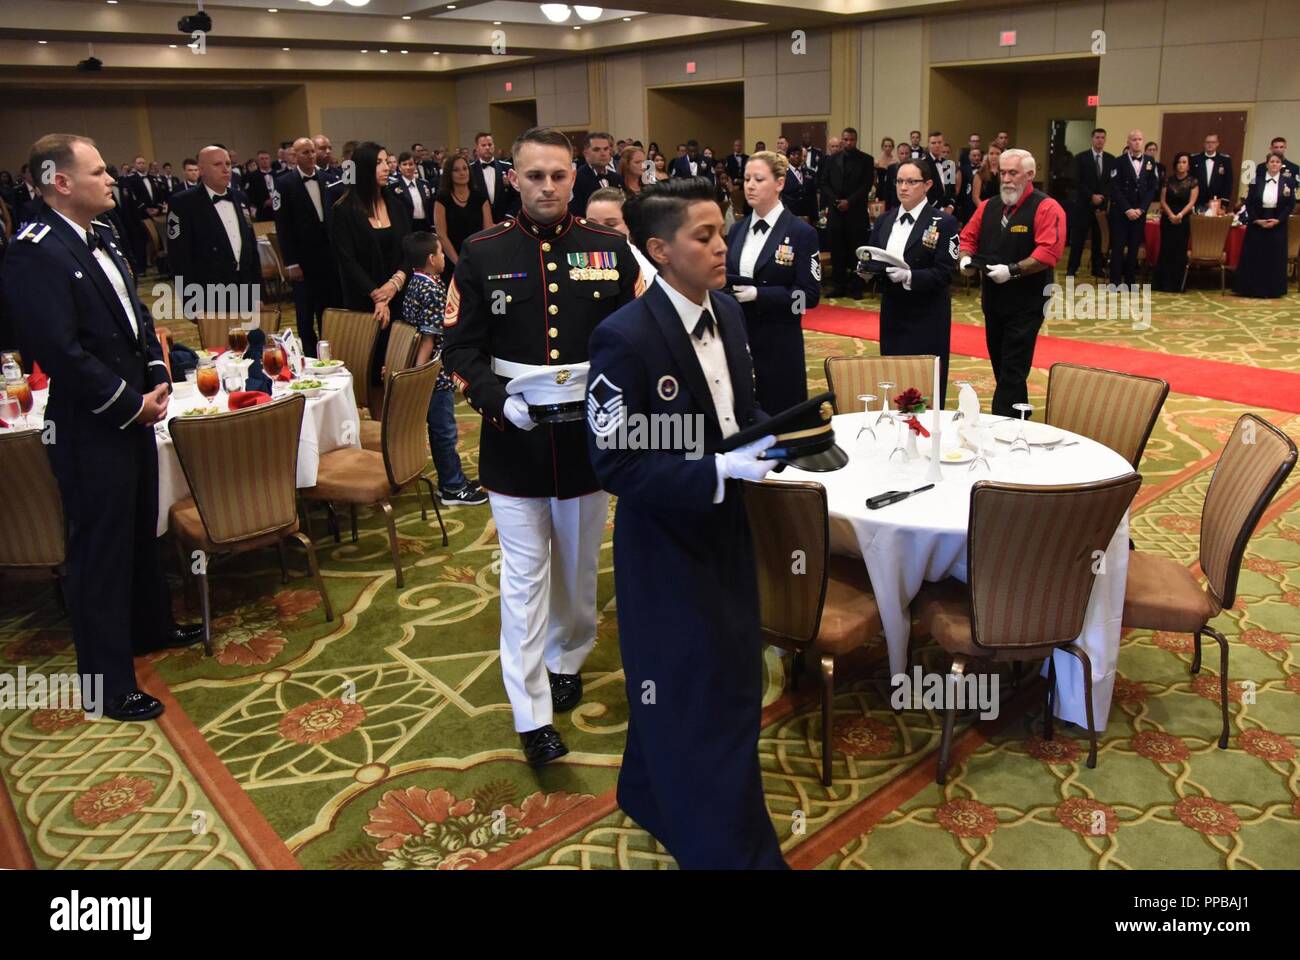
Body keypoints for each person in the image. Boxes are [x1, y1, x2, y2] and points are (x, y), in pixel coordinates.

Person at [585, 176, 786, 869]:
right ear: (659, 251)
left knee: (728, 675)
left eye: (721, 231)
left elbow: (739, 414)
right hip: (666, 544)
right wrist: (713, 473)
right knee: (697, 691)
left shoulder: (727, 313)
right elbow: (616, 464)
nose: (721, 245)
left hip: (730, 529)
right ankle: (738, 853)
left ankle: (646, 790)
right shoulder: (623, 338)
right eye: (703, 236)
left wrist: (780, 441)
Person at [442, 127, 641, 767]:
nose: (548, 186)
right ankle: (531, 715)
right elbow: (461, 349)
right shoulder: (480, 251)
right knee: (524, 581)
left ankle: (569, 655)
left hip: (587, 445)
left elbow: (635, 337)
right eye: (535, 176)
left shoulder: (609, 249)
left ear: (575, 177)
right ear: (513, 179)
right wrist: (497, 403)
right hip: (513, 447)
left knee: (580, 573)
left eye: (558, 175)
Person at [2, 134, 202, 722]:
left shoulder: (102, 235)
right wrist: (127, 403)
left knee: (143, 532)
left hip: (135, 410)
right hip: (91, 426)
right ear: (60, 182)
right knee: (99, 554)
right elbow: (57, 350)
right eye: (98, 172)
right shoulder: (35, 250)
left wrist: (159, 372)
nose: (111, 179)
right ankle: (107, 687)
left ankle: (151, 627)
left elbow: (135, 316)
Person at [958, 148, 1066, 417]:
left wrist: (1013, 270)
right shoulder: (988, 206)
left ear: (1029, 175)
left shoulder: (1047, 207)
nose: (1006, 179)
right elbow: (967, 238)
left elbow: (1047, 253)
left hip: (1027, 299)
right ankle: (1020, 415)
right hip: (993, 298)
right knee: (1001, 361)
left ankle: (1001, 420)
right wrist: (965, 260)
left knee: (1013, 363)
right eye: (1002, 172)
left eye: (1013, 173)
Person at [397, 232, 487, 506]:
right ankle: (452, 486)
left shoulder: (415, 283)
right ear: (431, 259)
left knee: (442, 429)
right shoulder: (432, 289)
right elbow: (428, 338)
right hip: (434, 374)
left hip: (426, 371)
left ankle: (453, 477)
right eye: (439, 252)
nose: (443, 257)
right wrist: (418, 376)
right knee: (444, 430)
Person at [726, 151, 820, 413]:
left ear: (779, 183)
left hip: (779, 340)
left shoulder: (801, 232)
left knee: (780, 413)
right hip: (739, 336)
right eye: (746, 179)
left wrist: (760, 294)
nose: (750, 185)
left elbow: (808, 296)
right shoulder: (737, 229)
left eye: (758, 179)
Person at [867, 157, 958, 407]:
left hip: (927, 312)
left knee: (926, 379)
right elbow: (873, 256)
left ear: (927, 185)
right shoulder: (886, 220)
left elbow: (946, 272)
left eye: (911, 181)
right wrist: (866, 272)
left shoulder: (944, 223)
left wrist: (910, 276)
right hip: (894, 308)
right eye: (899, 181)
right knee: (893, 373)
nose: (903, 187)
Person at [329, 141, 414, 386]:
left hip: (398, 299)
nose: (386, 167)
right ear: (363, 168)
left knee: (398, 370)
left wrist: (393, 286)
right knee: (371, 372)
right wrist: (377, 295)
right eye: (378, 163)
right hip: (364, 302)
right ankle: (376, 423)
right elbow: (347, 260)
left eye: (387, 161)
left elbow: (408, 253)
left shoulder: (397, 205)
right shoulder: (343, 210)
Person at [167, 145, 260, 300]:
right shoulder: (183, 203)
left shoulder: (240, 198)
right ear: (201, 170)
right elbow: (179, 257)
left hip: (245, 288)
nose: (226, 169)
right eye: (217, 164)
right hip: (209, 292)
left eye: (228, 164)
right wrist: (191, 301)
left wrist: (259, 293)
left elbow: (251, 248)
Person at [274, 137, 339, 356]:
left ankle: (329, 352)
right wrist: (290, 262)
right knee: (304, 312)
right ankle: (309, 356)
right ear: (295, 155)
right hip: (302, 259)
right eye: (305, 152)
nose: (311, 156)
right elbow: (282, 226)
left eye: (312, 151)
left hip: (329, 258)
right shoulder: (284, 183)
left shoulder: (330, 179)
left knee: (328, 309)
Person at [818, 126, 873, 298]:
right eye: (845, 140)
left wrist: (849, 202)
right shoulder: (831, 160)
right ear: (842, 140)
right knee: (837, 250)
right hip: (836, 212)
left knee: (856, 251)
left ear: (856, 140)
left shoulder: (866, 160)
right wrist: (836, 201)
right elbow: (824, 183)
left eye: (851, 140)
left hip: (856, 212)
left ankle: (856, 286)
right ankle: (838, 285)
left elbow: (866, 185)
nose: (848, 143)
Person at [1233, 151, 1295, 299]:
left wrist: (1278, 220)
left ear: (1281, 165)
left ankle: (1273, 290)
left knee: (1274, 257)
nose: (1274, 164)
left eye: (1277, 162)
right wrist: (1256, 220)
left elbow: (1290, 205)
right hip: (1257, 222)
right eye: (1272, 162)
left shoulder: (1288, 182)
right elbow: (1249, 203)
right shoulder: (1255, 180)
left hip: (1278, 223)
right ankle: (1251, 289)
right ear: (1267, 164)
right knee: (1255, 255)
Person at [1108, 129, 1160, 286]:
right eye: (1134, 139)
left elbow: (1153, 187)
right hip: (1122, 212)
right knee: (1118, 247)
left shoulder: (1150, 161)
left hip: (1139, 212)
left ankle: (1130, 281)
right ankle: (1115, 281)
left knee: (1133, 248)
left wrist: (1142, 209)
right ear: (1128, 142)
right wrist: (1127, 209)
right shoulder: (1119, 161)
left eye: (1140, 139)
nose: (1137, 142)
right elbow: (1114, 188)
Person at [433, 153, 492, 284]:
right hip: (452, 259)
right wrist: (458, 262)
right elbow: (441, 235)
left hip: (478, 257)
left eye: (465, 168)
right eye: (456, 170)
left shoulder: (480, 197)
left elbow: (487, 231)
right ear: (449, 174)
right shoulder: (442, 199)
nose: (462, 173)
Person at [586, 186, 657, 285]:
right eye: (592, 224)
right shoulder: (570, 260)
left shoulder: (645, 267)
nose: (599, 231)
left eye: (610, 224)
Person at [1066, 128, 1112, 278]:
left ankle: (1097, 268)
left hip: (1101, 206)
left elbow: (1111, 182)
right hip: (1083, 205)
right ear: (1092, 139)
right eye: (1097, 137)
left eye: (1102, 138)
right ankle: (1072, 268)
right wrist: (1091, 195)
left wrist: (1102, 196)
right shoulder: (1081, 158)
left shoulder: (1111, 159)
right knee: (1079, 239)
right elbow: (1076, 181)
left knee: (1099, 239)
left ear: (1105, 140)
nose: (1099, 140)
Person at [1153, 152, 1198, 293]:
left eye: (1184, 162)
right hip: (1168, 218)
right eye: (1179, 162)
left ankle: (1177, 284)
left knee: (1179, 251)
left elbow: (1192, 202)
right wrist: (1171, 215)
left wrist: (1180, 215)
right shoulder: (1168, 180)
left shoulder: (1193, 182)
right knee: (1166, 249)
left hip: (1183, 219)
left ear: (1188, 165)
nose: (1181, 165)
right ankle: (1162, 283)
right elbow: (1162, 201)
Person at [469, 132, 519, 223]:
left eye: (490, 144)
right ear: (476, 148)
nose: (487, 148)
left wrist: (509, 216)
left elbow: (517, 195)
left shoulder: (507, 167)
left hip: (505, 220)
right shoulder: (469, 170)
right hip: (479, 222)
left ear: (494, 146)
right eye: (483, 145)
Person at [570, 131, 617, 215]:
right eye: (597, 149)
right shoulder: (577, 179)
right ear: (586, 153)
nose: (603, 153)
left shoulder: (617, 178)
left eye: (606, 149)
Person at [392, 151, 435, 233]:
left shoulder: (424, 184)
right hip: (406, 227)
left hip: (425, 225)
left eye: (411, 164)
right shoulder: (393, 188)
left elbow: (430, 206)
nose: (408, 167)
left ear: (415, 166)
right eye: (404, 164)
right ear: (399, 167)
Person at [1191, 133, 1233, 210]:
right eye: (1207, 142)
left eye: (1213, 142)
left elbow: (1228, 182)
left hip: (1217, 202)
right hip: (1197, 201)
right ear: (1204, 144)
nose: (1210, 144)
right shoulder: (1195, 159)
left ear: (1217, 144)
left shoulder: (1225, 160)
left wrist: (1224, 202)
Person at [781, 145, 818, 221]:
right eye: (793, 154)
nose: (797, 156)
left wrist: (815, 217)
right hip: (789, 215)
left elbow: (813, 197)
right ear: (788, 157)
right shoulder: (783, 174)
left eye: (799, 154)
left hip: (807, 215)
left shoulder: (809, 173)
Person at [245, 150, 279, 222]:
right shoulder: (252, 176)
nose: (265, 161)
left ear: (270, 160)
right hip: (262, 211)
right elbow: (250, 194)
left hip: (279, 209)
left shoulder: (277, 174)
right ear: (258, 161)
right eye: (262, 159)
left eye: (266, 158)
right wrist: (264, 202)